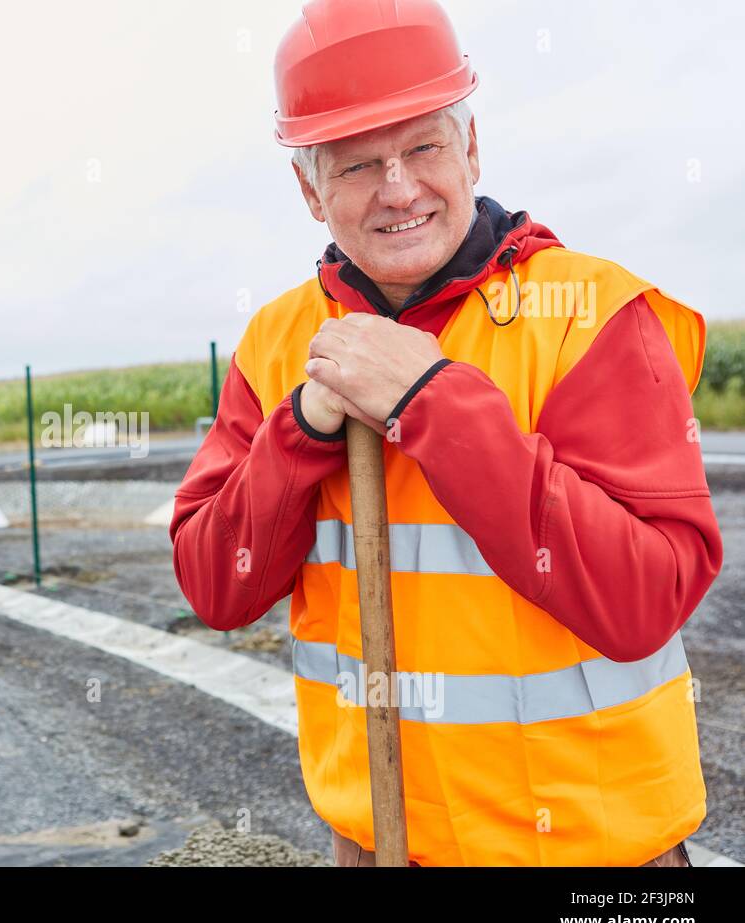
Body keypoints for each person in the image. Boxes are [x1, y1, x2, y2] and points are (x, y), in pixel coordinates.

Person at [171, 0, 720, 867]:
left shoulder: (586, 314)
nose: (398, 188)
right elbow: (215, 585)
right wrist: (304, 428)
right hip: (379, 848)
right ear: (310, 190)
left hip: (597, 860)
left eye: (424, 146)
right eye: (355, 164)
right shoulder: (280, 344)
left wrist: (430, 401)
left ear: (471, 147)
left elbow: (645, 599)